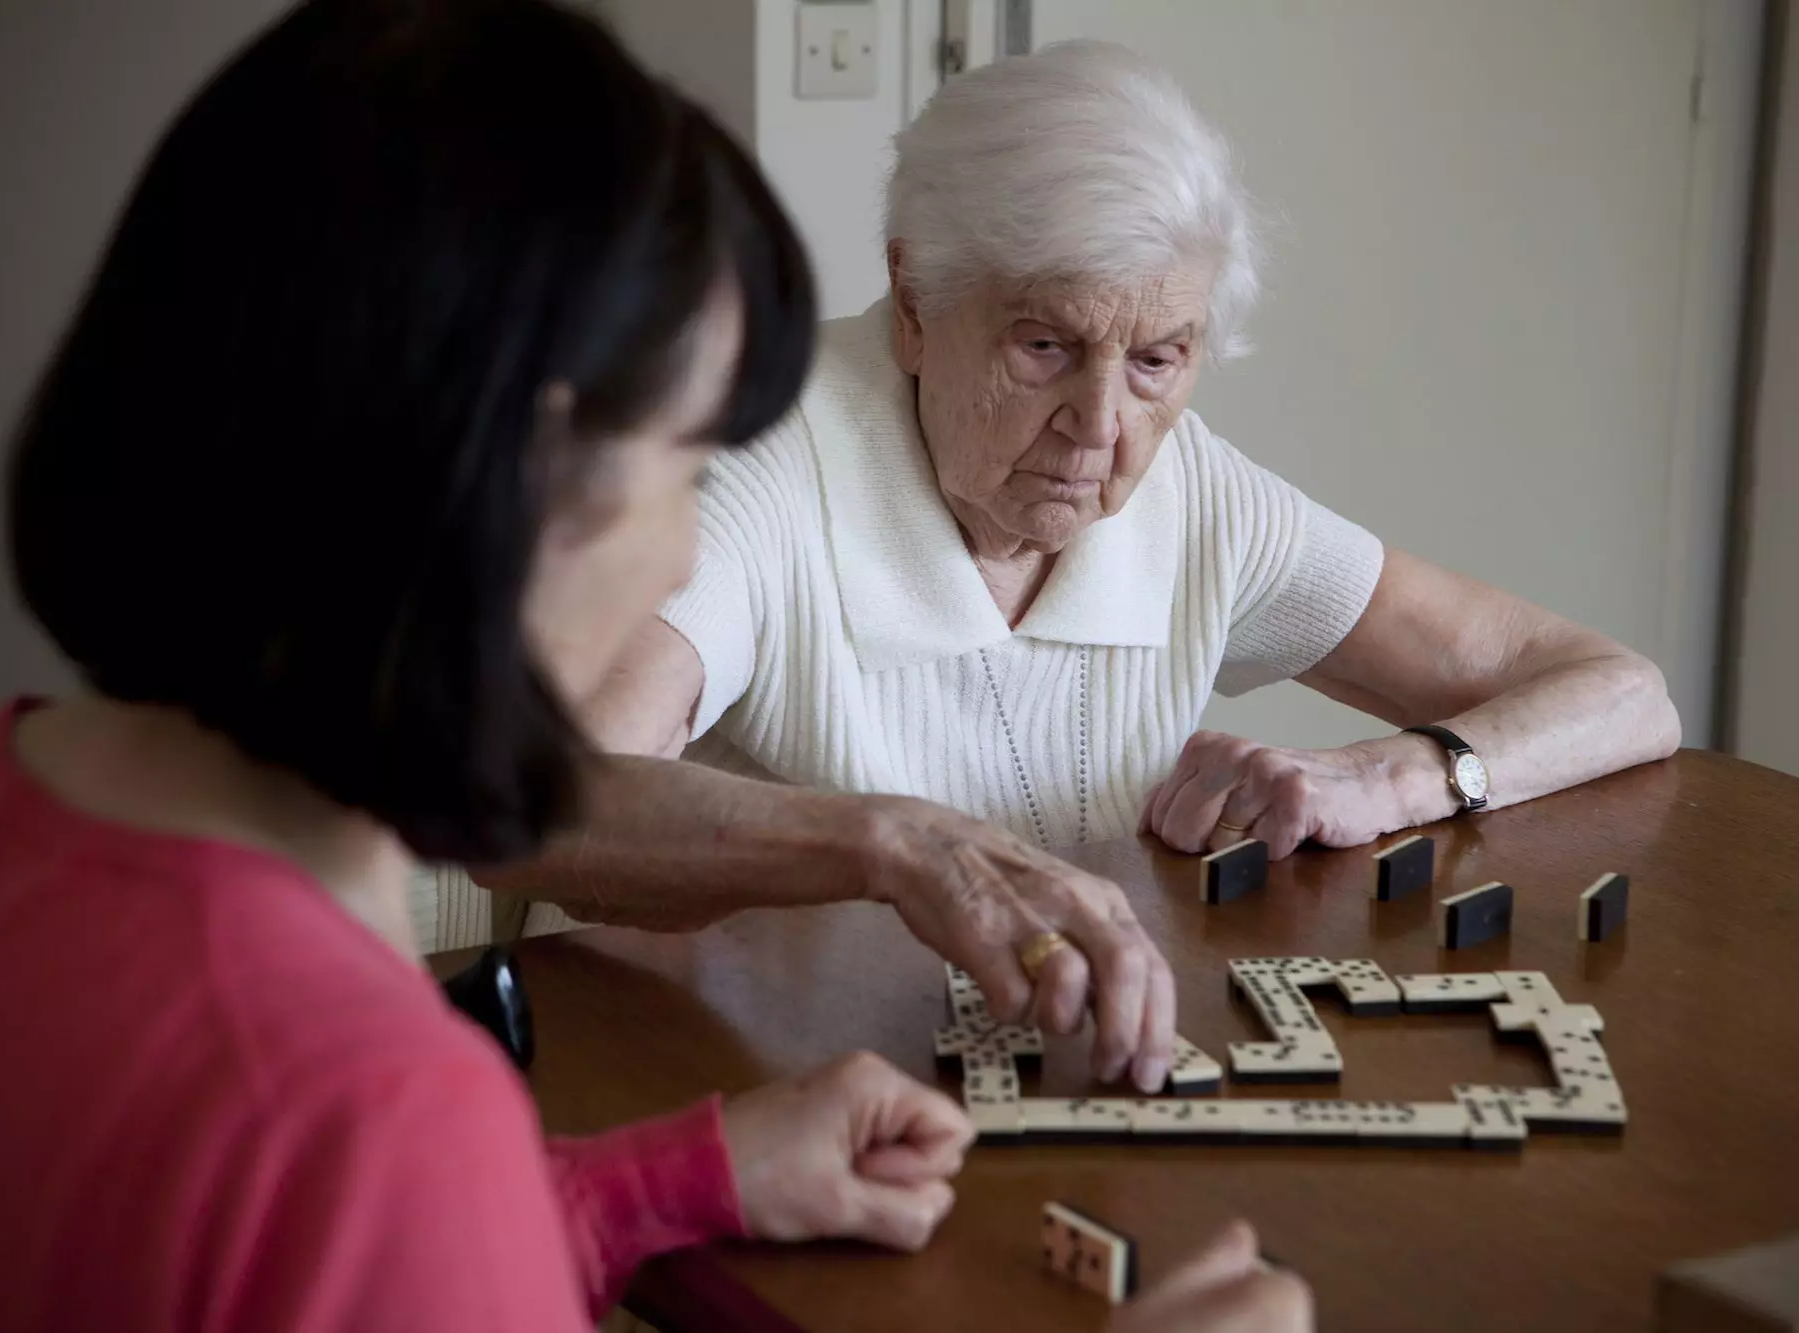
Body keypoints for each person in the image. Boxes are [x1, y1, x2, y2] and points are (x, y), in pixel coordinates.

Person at [0, 3, 1306, 1329]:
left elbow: (305, 1261)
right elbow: (363, 1208)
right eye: (689, 467)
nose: (671, 563)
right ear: (508, 485)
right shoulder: (378, 1113)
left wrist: (665, 1182)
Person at [498, 39, 1679, 935]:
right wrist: (885, 844)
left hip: (1032, 1085)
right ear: (913, 305)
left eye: (1159, 359)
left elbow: (1619, 695)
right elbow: (546, 801)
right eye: (1044, 347)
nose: (1102, 427)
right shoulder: (765, 471)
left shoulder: (1195, 498)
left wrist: (1392, 772)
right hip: (732, 1094)